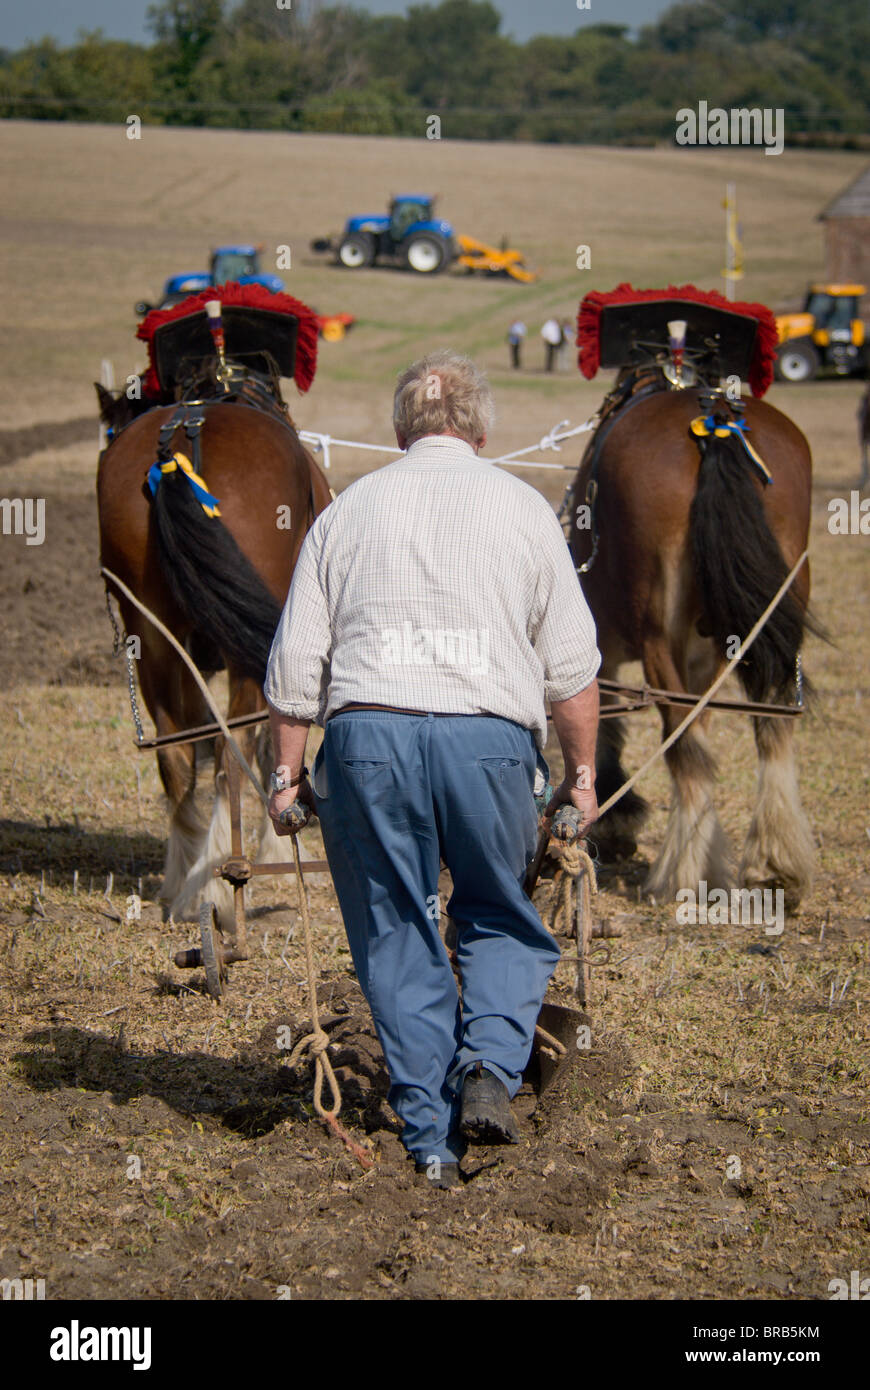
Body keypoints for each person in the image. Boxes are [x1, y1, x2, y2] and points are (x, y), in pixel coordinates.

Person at [265, 349, 600, 1189]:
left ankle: (430, 1143)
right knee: (497, 907)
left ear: (399, 431)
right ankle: (489, 1068)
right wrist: (583, 775)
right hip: (488, 741)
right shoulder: (524, 510)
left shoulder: (347, 513)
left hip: (367, 740)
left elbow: (297, 663)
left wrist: (284, 777)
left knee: (395, 928)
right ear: (481, 430)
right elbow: (571, 670)